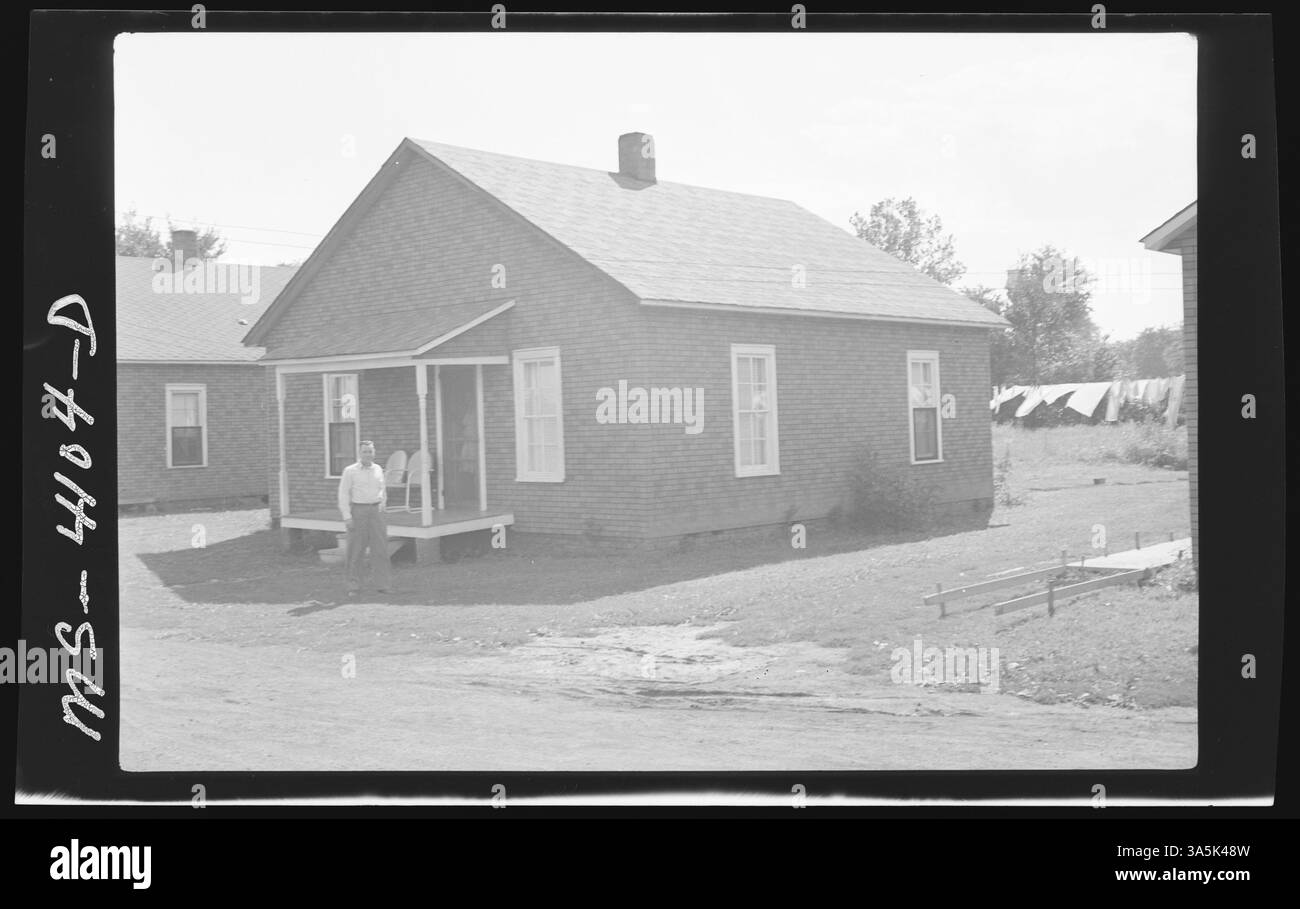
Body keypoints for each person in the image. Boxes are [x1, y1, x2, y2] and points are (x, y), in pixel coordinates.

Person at [337, 440, 392, 595]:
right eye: (365, 451)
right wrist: (347, 516)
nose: (368, 454)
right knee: (355, 550)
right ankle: (353, 586)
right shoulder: (350, 471)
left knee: (380, 549)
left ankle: (383, 585)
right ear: (359, 453)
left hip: (376, 511)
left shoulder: (378, 469)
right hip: (358, 511)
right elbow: (343, 494)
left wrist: (383, 504)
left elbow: (383, 489)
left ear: (374, 453)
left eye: (370, 451)